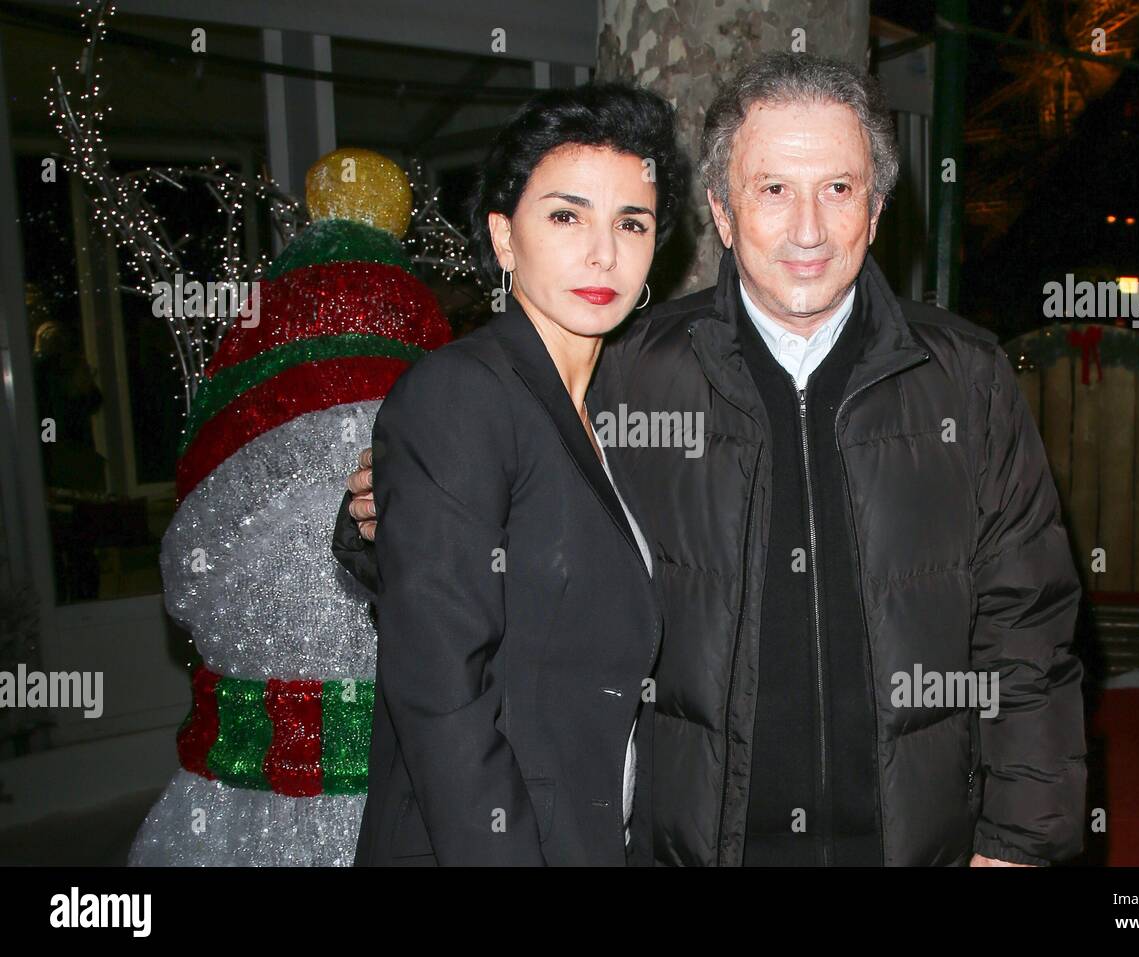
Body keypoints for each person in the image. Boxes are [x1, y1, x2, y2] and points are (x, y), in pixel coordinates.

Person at [337, 53, 1086, 867]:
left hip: (917, 845)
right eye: (772, 190)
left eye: (838, 188)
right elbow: (512, 569)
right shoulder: (626, 368)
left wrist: (1018, 843)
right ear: (723, 215)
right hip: (688, 848)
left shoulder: (966, 379)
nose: (807, 228)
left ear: (874, 211)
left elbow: (1029, 626)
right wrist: (379, 525)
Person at [343, 83, 687, 865]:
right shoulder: (462, 392)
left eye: (630, 222)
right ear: (504, 237)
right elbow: (441, 696)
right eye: (566, 215)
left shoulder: (612, 412)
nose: (603, 252)